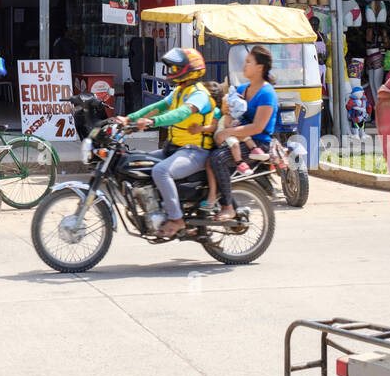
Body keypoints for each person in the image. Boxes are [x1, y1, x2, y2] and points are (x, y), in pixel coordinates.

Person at [118, 47, 217, 242]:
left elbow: (181, 113)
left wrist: (152, 122)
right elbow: (157, 107)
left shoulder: (199, 94)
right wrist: (128, 119)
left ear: (189, 69)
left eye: (174, 68)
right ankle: (156, 209)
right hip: (175, 148)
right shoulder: (180, 91)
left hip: (195, 151)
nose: (170, 72)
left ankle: (176, 218)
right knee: (137, 162)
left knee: (161, 171)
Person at [208, 45, 278, 222]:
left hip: (256, 143)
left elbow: (257, 127)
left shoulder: (267, 93)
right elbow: (228, 112)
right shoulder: (242, 89)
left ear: (260, 67)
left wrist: (228, 132)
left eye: (248, 62)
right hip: (236, 137)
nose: (244, 65)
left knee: (217, 158)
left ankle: (228, 207)